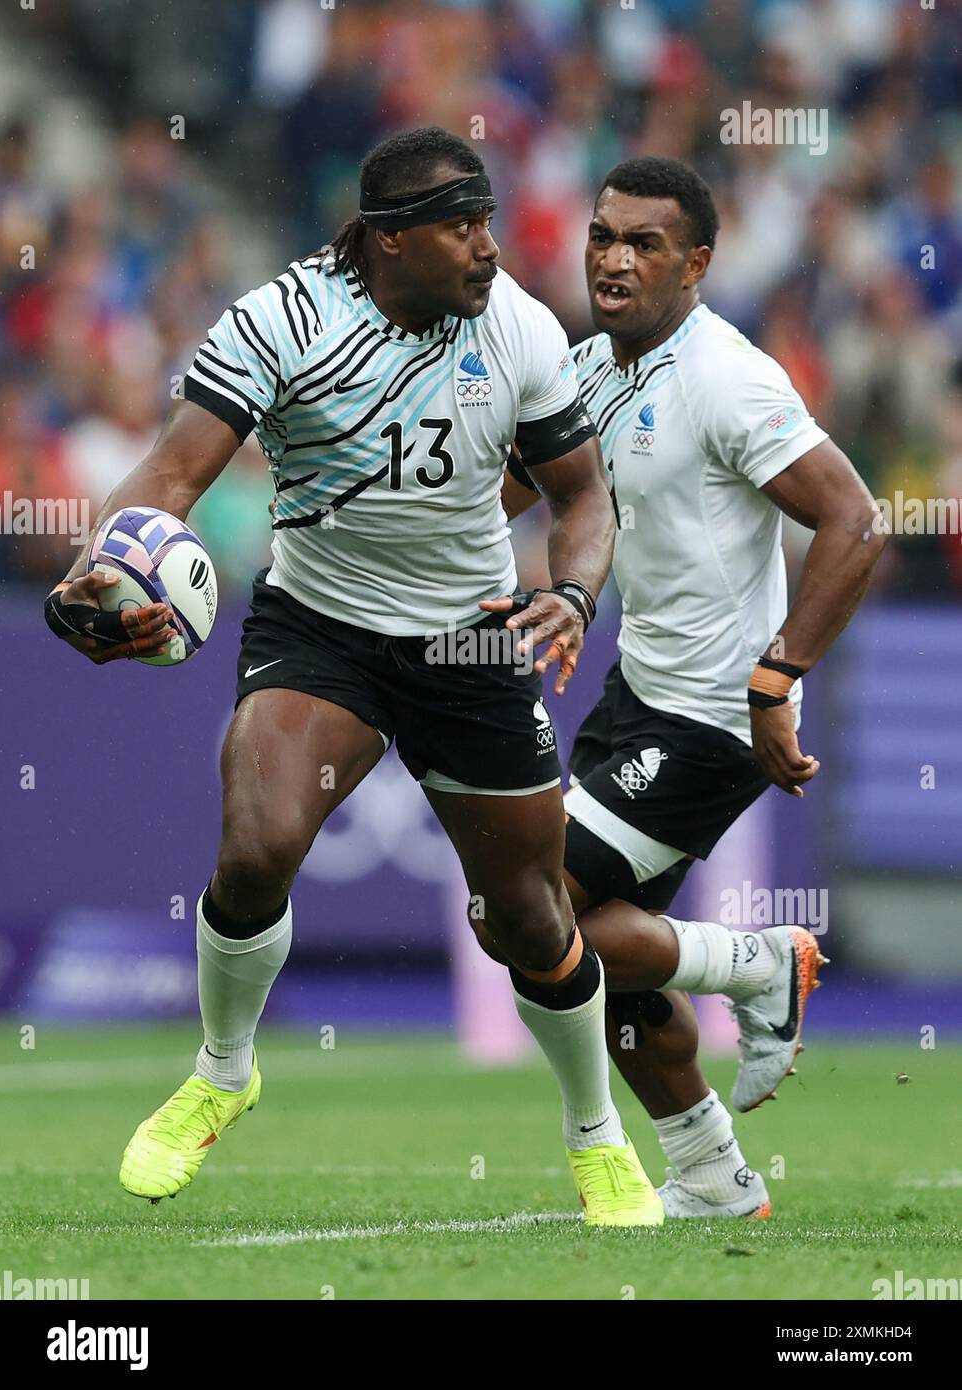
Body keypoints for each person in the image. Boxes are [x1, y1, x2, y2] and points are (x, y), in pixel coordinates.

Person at [43, 128, 663, 1227]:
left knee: (526, 912)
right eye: (460, 227)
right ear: (387, 241)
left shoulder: (516, 326)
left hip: (468, 640)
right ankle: (224, 1071)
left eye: (487, 222)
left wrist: (568, 595)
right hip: (320, 623)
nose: (487, 247)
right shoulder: (281, 322)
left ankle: (594, 1134)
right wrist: (101, 566)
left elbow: (581, 496)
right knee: (256, 842)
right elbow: (172, 473)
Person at [488, 156, 886, 1218]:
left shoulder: (728, 376)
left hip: (710, 715)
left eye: (643, 243)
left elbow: (852, 521)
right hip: (633, 696)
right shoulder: (581, 371)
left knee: (519, 909)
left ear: (696, 264)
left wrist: (776, 676)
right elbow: (500, 492)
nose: (613, 259)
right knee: (583, 962)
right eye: (602, 236)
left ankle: (758, 964)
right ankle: (712, 1176)